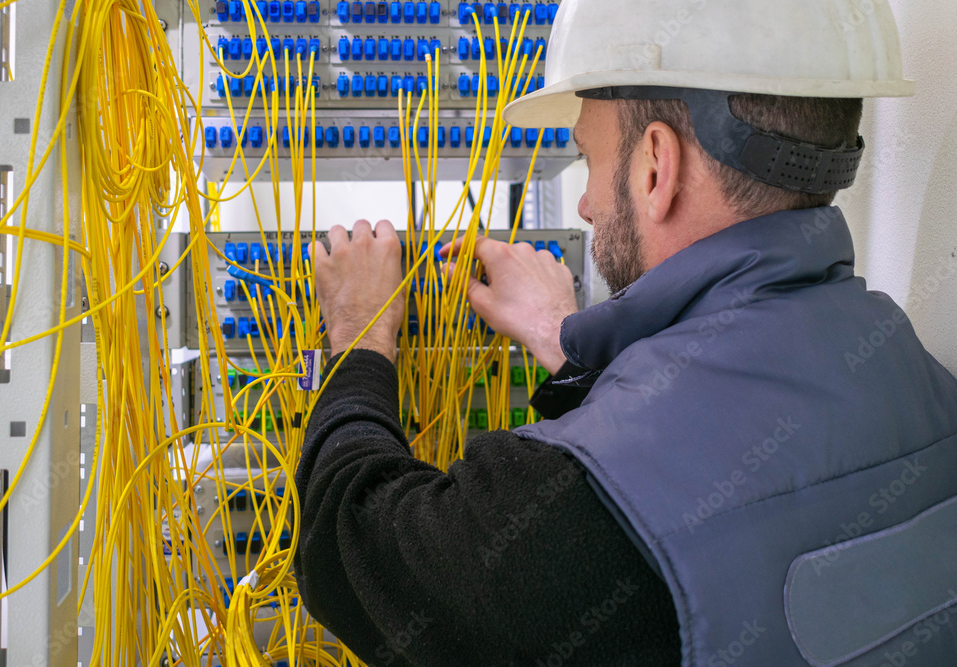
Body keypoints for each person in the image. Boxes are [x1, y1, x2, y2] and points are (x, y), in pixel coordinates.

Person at [293, 1, 957, 665]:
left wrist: (359, 334)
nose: (583, 203)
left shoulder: (564, 512)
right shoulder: (917, 375)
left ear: (654, 167)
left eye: (587, 158)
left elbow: (346, 549)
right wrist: (564, 342)